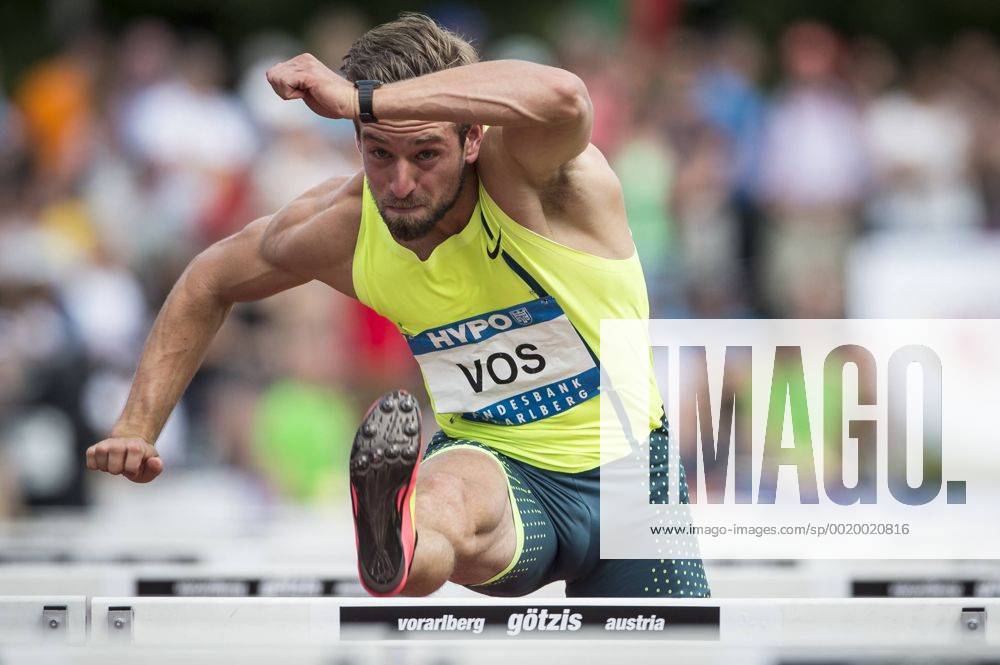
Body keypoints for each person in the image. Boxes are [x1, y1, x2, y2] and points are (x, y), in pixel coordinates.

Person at [85, 12, 710, 599]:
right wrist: (137, 427)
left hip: (635, 479)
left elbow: (566, 97)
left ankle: (410, 529)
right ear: (356, 141)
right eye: (379, 153)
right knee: (448, 505)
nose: (401, 183)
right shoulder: (346, 227)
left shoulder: (532, 176)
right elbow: (209, 279)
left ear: (472, 138)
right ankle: (398, 536)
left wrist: (365, 99)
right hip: (497, 466)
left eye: (425, 155)